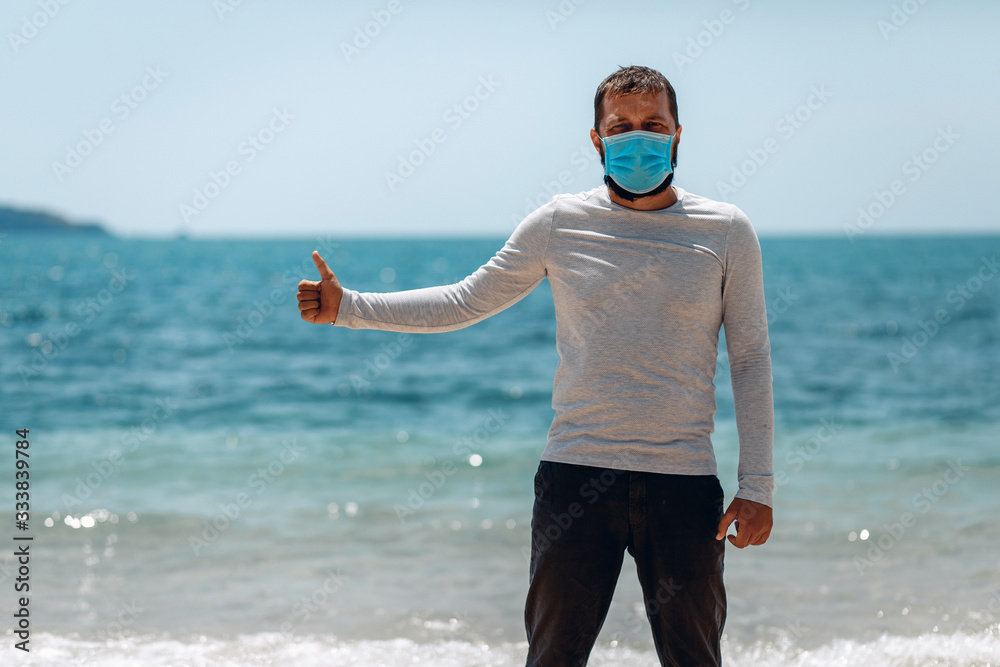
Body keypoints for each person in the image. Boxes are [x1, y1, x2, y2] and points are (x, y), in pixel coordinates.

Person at [297, 64, 773, 667]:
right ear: (597, 139)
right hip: (575, 478)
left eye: (653, 124)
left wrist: (758, 487)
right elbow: (465, 301)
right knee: (551, 659)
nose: (638, 137)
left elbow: (750, 360)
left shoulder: (727, 231)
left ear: (679, 133)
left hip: (683, 484)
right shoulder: (558, 223)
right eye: (620, 127)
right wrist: (350, 308)